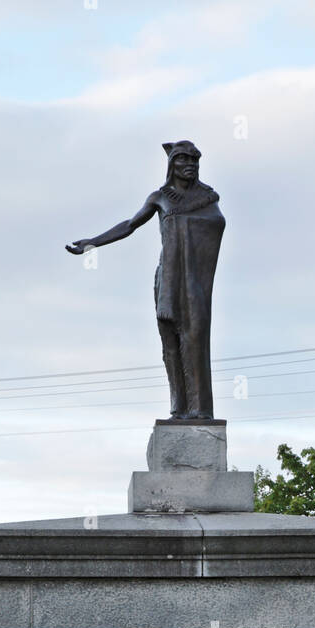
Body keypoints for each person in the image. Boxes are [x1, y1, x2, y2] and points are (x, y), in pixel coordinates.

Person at [66, 140, 225, 421]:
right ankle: (179, 407)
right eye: (183, 160)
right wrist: (93, 243)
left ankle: (200, 409)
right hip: (169, 280)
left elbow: (213, 227)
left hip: (197, 282)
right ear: (172, 165)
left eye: (194, 161)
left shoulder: (209, 199)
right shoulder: (160, 198)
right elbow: (130, 225)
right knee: (172, 343)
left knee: (196, 336)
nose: (190, 166)